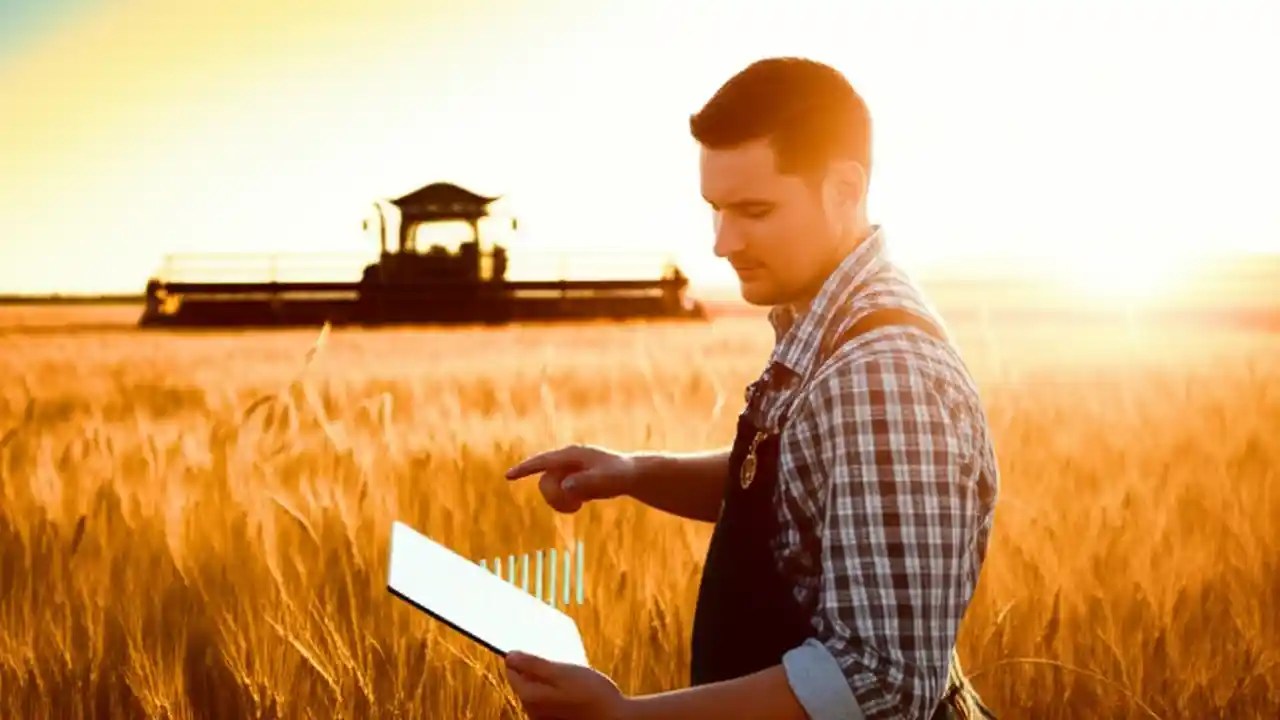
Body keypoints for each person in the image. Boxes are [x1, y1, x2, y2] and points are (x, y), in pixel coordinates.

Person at [502, 56, 1000, 720]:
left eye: (755, 210)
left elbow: (880, 680)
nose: (722, 242)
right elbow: (797, 484)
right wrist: (634, 472)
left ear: (845, 190)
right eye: (715, 209)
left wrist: (629, 718)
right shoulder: (832, 325)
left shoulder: (881, 372)